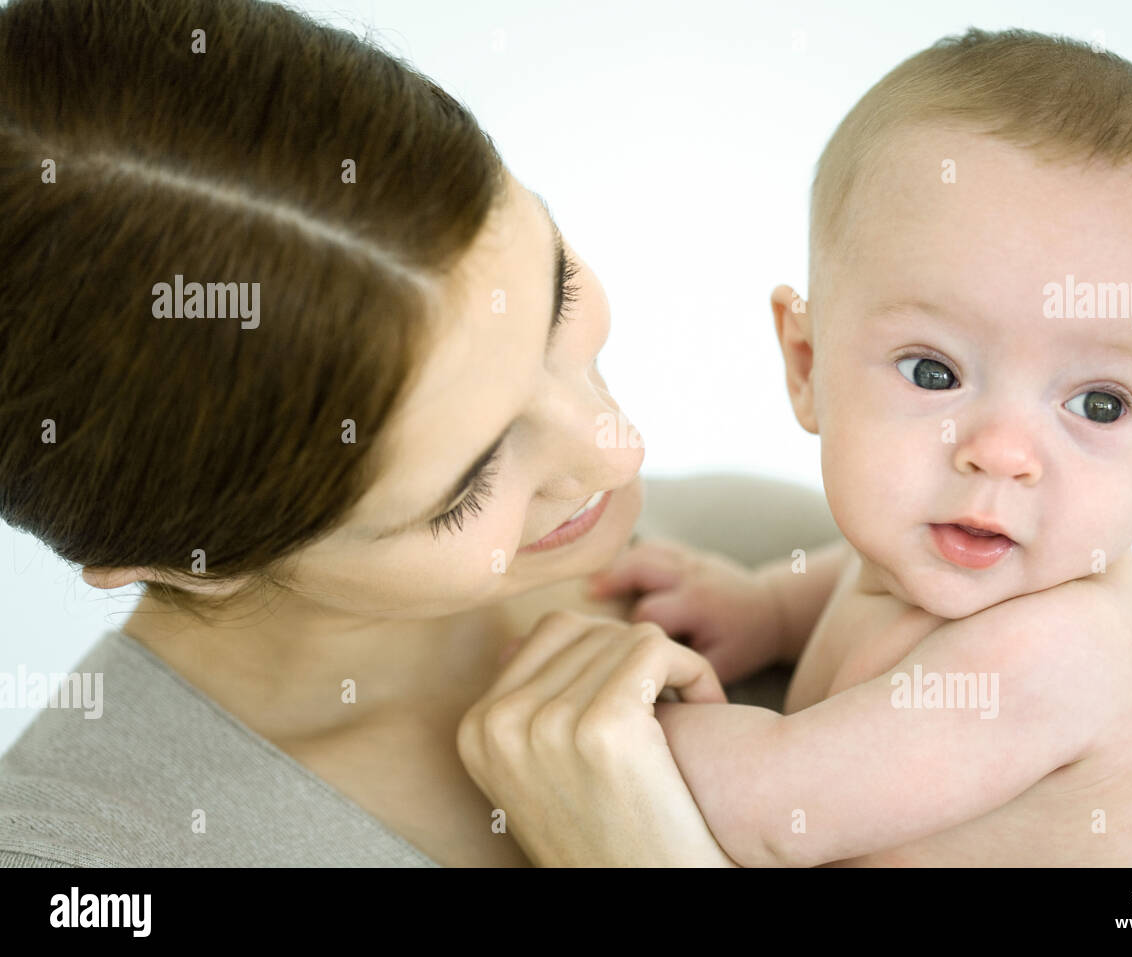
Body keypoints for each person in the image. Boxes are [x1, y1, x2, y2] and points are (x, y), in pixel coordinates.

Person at [0, 0, 840, 867]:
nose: (615, 448)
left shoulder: (793, 560)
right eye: (469, 481)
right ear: (187, 559)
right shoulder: (80, 864)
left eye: (555, 297)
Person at [566, 28, 1132, 866]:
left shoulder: (1066, 652)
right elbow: (859, 578)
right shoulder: (929, 550)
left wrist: (620, 717)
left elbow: (776, 811)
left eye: (1098, 403)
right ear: (807, 364)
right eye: (933, 372)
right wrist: (767, 610)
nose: (999, 453)